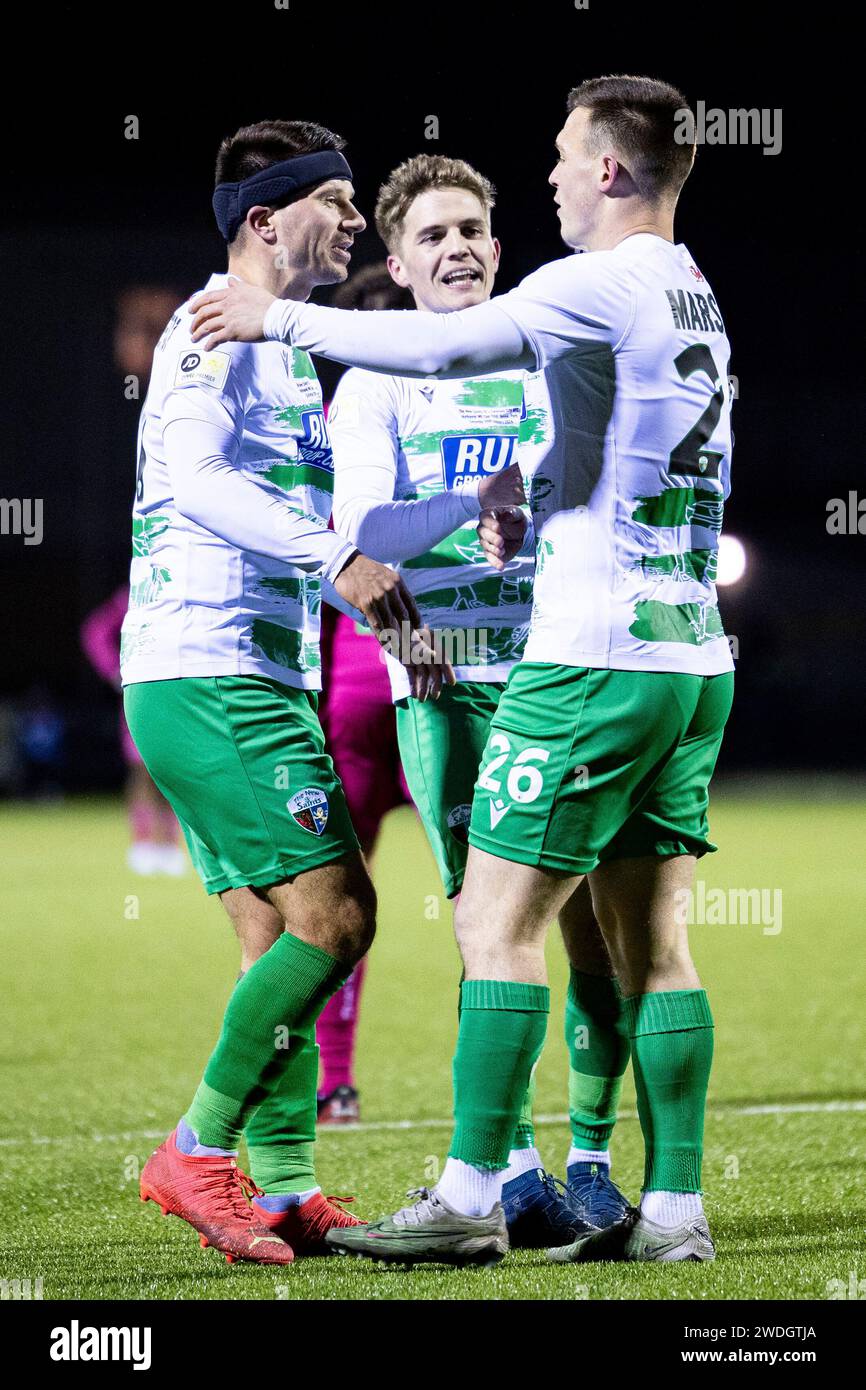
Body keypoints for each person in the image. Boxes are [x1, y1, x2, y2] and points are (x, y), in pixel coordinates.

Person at [189, 75, 736, 1267]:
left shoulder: (591, 281)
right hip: (688, 655)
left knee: (492, 920)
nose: (542, 178)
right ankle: (675, 1213)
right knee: (654, 945)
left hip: (585, 660)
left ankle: (472, 1190)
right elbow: (619, 457)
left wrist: (272, 316)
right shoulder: (691, 292)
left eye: (557, 154)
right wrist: (520, 497)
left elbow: (439, 345)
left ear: (606, 168)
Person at [125, 118, 441, 1266]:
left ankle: (290, 1185)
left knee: (278, 945)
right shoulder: (213, 329)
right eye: (338, 199)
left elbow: (319, 517)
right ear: (265, 217)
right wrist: (337, 561)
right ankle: (195, 1150)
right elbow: (191, 476)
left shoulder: (287, 350)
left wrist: (407, 574)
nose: (356, 218)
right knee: (341, 916)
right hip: (212, 672)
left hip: (238, 676)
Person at [327, 154, 631, 1245]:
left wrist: (537, 514)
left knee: (596, 921)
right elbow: (361, 541)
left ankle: (593, 1159)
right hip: (444, 688)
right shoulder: (373, 386)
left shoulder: (548, 351)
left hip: (563, 676)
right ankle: (512, 1171)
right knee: (480, 922)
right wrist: (467, 509)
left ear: (498, 250)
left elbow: (599, 487)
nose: (455, 248)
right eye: (431, 236)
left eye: (471, 230)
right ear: (399, 264)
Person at [315, 267, 415, 1126]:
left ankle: (333, 1083)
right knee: (496, 897)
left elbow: (311, 564)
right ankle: (506, 1122)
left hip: (351, 686)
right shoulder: (445, 395)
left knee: (339, 899)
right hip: (435, 668)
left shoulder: (328, 419)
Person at [81, 585, 185, 876]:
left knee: (171, 770)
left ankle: (169, 844)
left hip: (177, 691)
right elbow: (96, 630)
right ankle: (143, 842)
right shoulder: (135, 593)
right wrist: (114, 670)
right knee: (142, 769)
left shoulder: (184, 587)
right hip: (141, 688)